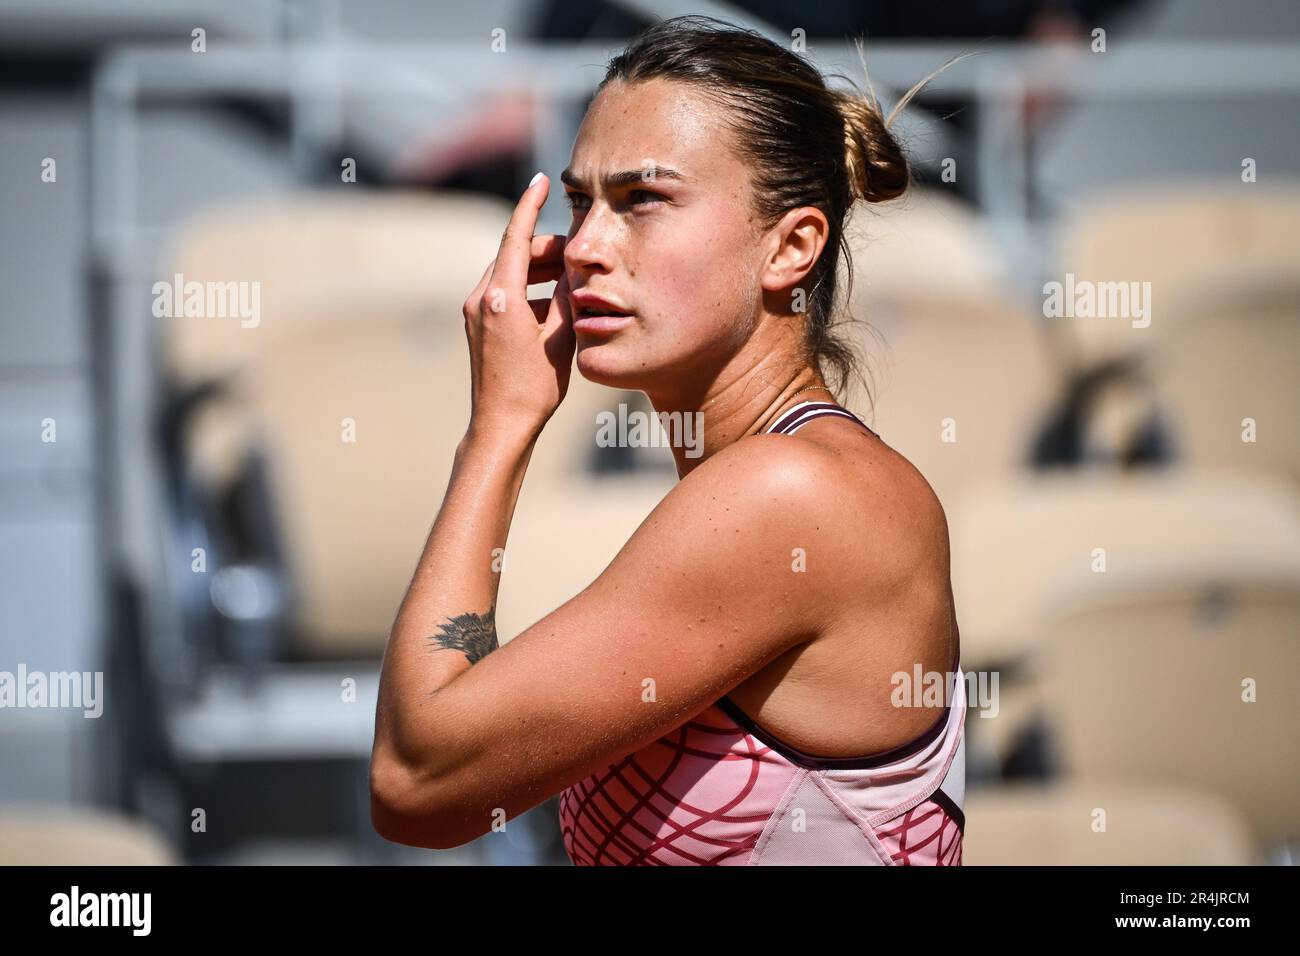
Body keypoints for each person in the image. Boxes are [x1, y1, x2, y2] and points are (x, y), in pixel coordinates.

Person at [371, 15, 964, 865]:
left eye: (643, 200)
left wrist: (497, 431)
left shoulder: (792, 496)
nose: (585, 249)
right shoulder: (772, 481)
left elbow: (413, 781)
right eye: (581, 202)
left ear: (791, 246)